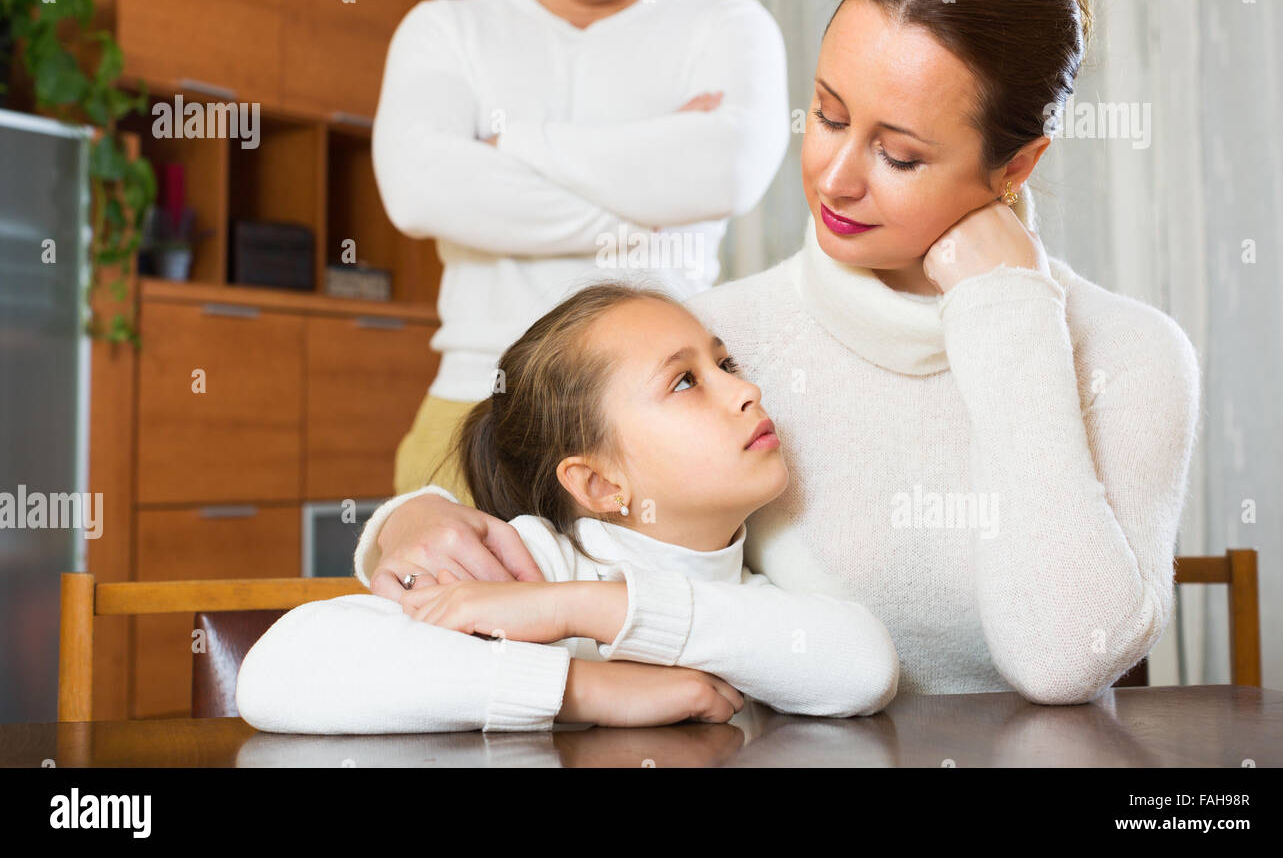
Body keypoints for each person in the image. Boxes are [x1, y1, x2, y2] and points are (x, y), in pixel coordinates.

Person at [361, 0, 1201, 707]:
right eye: (828, 114)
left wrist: (1009, 310)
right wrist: (405, 522)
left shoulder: (1132, 357)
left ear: (1015, 164)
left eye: (899, 154)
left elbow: (1062, 660)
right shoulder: (719, 344)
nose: (835, 176)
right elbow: (555, 520)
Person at [235, 282, 898, 733]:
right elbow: (277, 671)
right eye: (687, 380)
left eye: (725, 362)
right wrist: (582, 688)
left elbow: (865, 667)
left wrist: (581, 609)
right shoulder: (529, 565)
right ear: (601, 485)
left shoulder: (742, 596)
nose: (747, 389)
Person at [373, 0, 789, 502]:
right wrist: (648, 211)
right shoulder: (443, 30)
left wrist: (513, 144)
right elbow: (416, 190)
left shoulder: (728, 27)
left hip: (668, 409)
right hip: (476, 397)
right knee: (446, 612)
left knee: (669, 614)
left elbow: (726, 173)